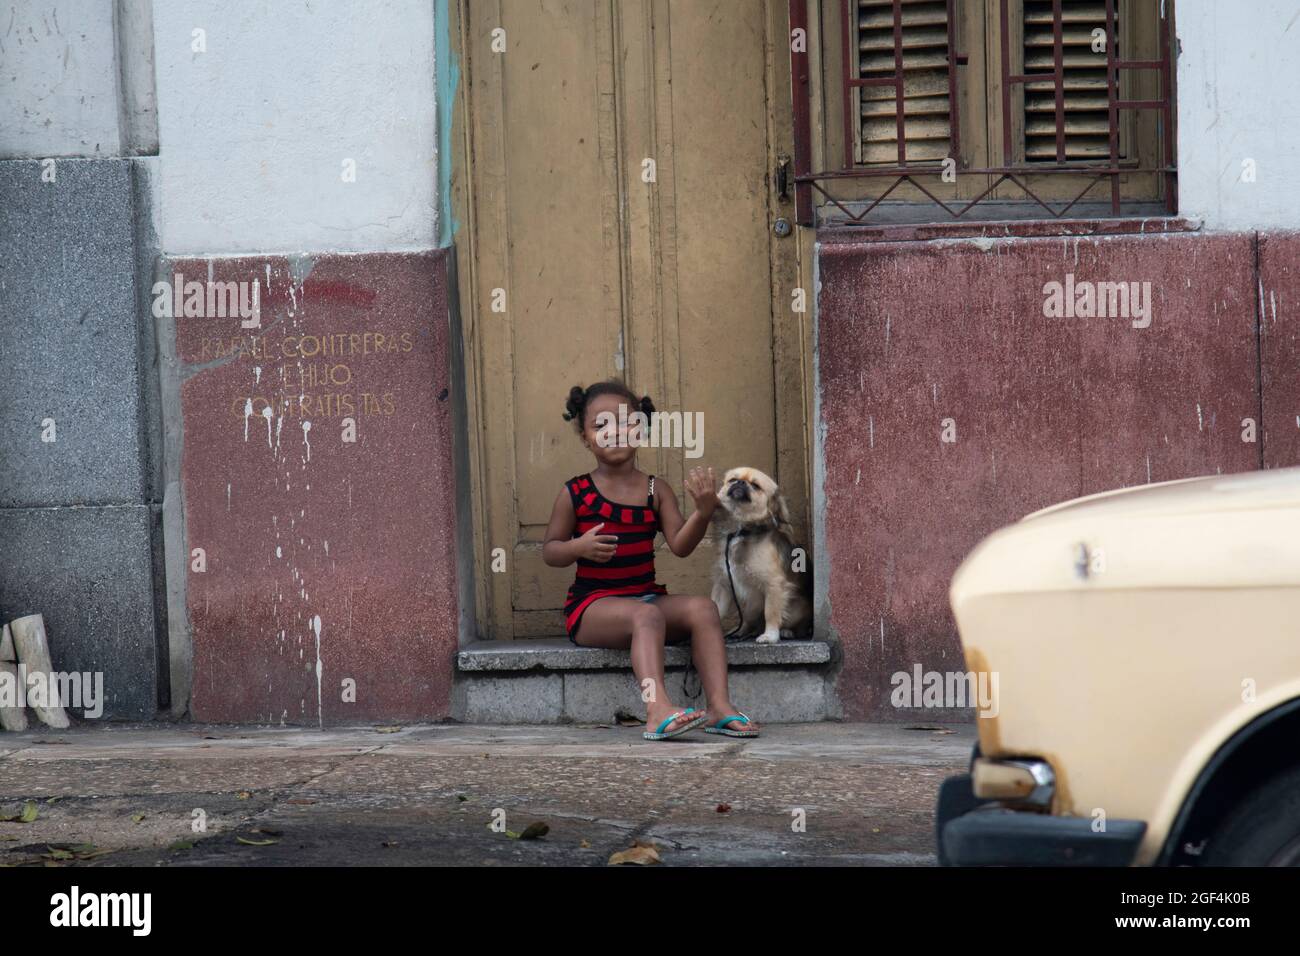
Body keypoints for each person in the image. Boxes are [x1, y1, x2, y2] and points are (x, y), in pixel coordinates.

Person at [541, 380, 760, 741]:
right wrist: (577, 547)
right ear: (584, 437)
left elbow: (680, 545)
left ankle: (719, 705)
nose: (614, 432)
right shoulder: (575, 492)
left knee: (703, 609)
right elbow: (550, 550)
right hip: (593, 608)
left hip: (645, 597)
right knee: (647, 614)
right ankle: (657, 707)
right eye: (601, 426)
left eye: (625, 422)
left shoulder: (656, 490)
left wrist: (703, 513)